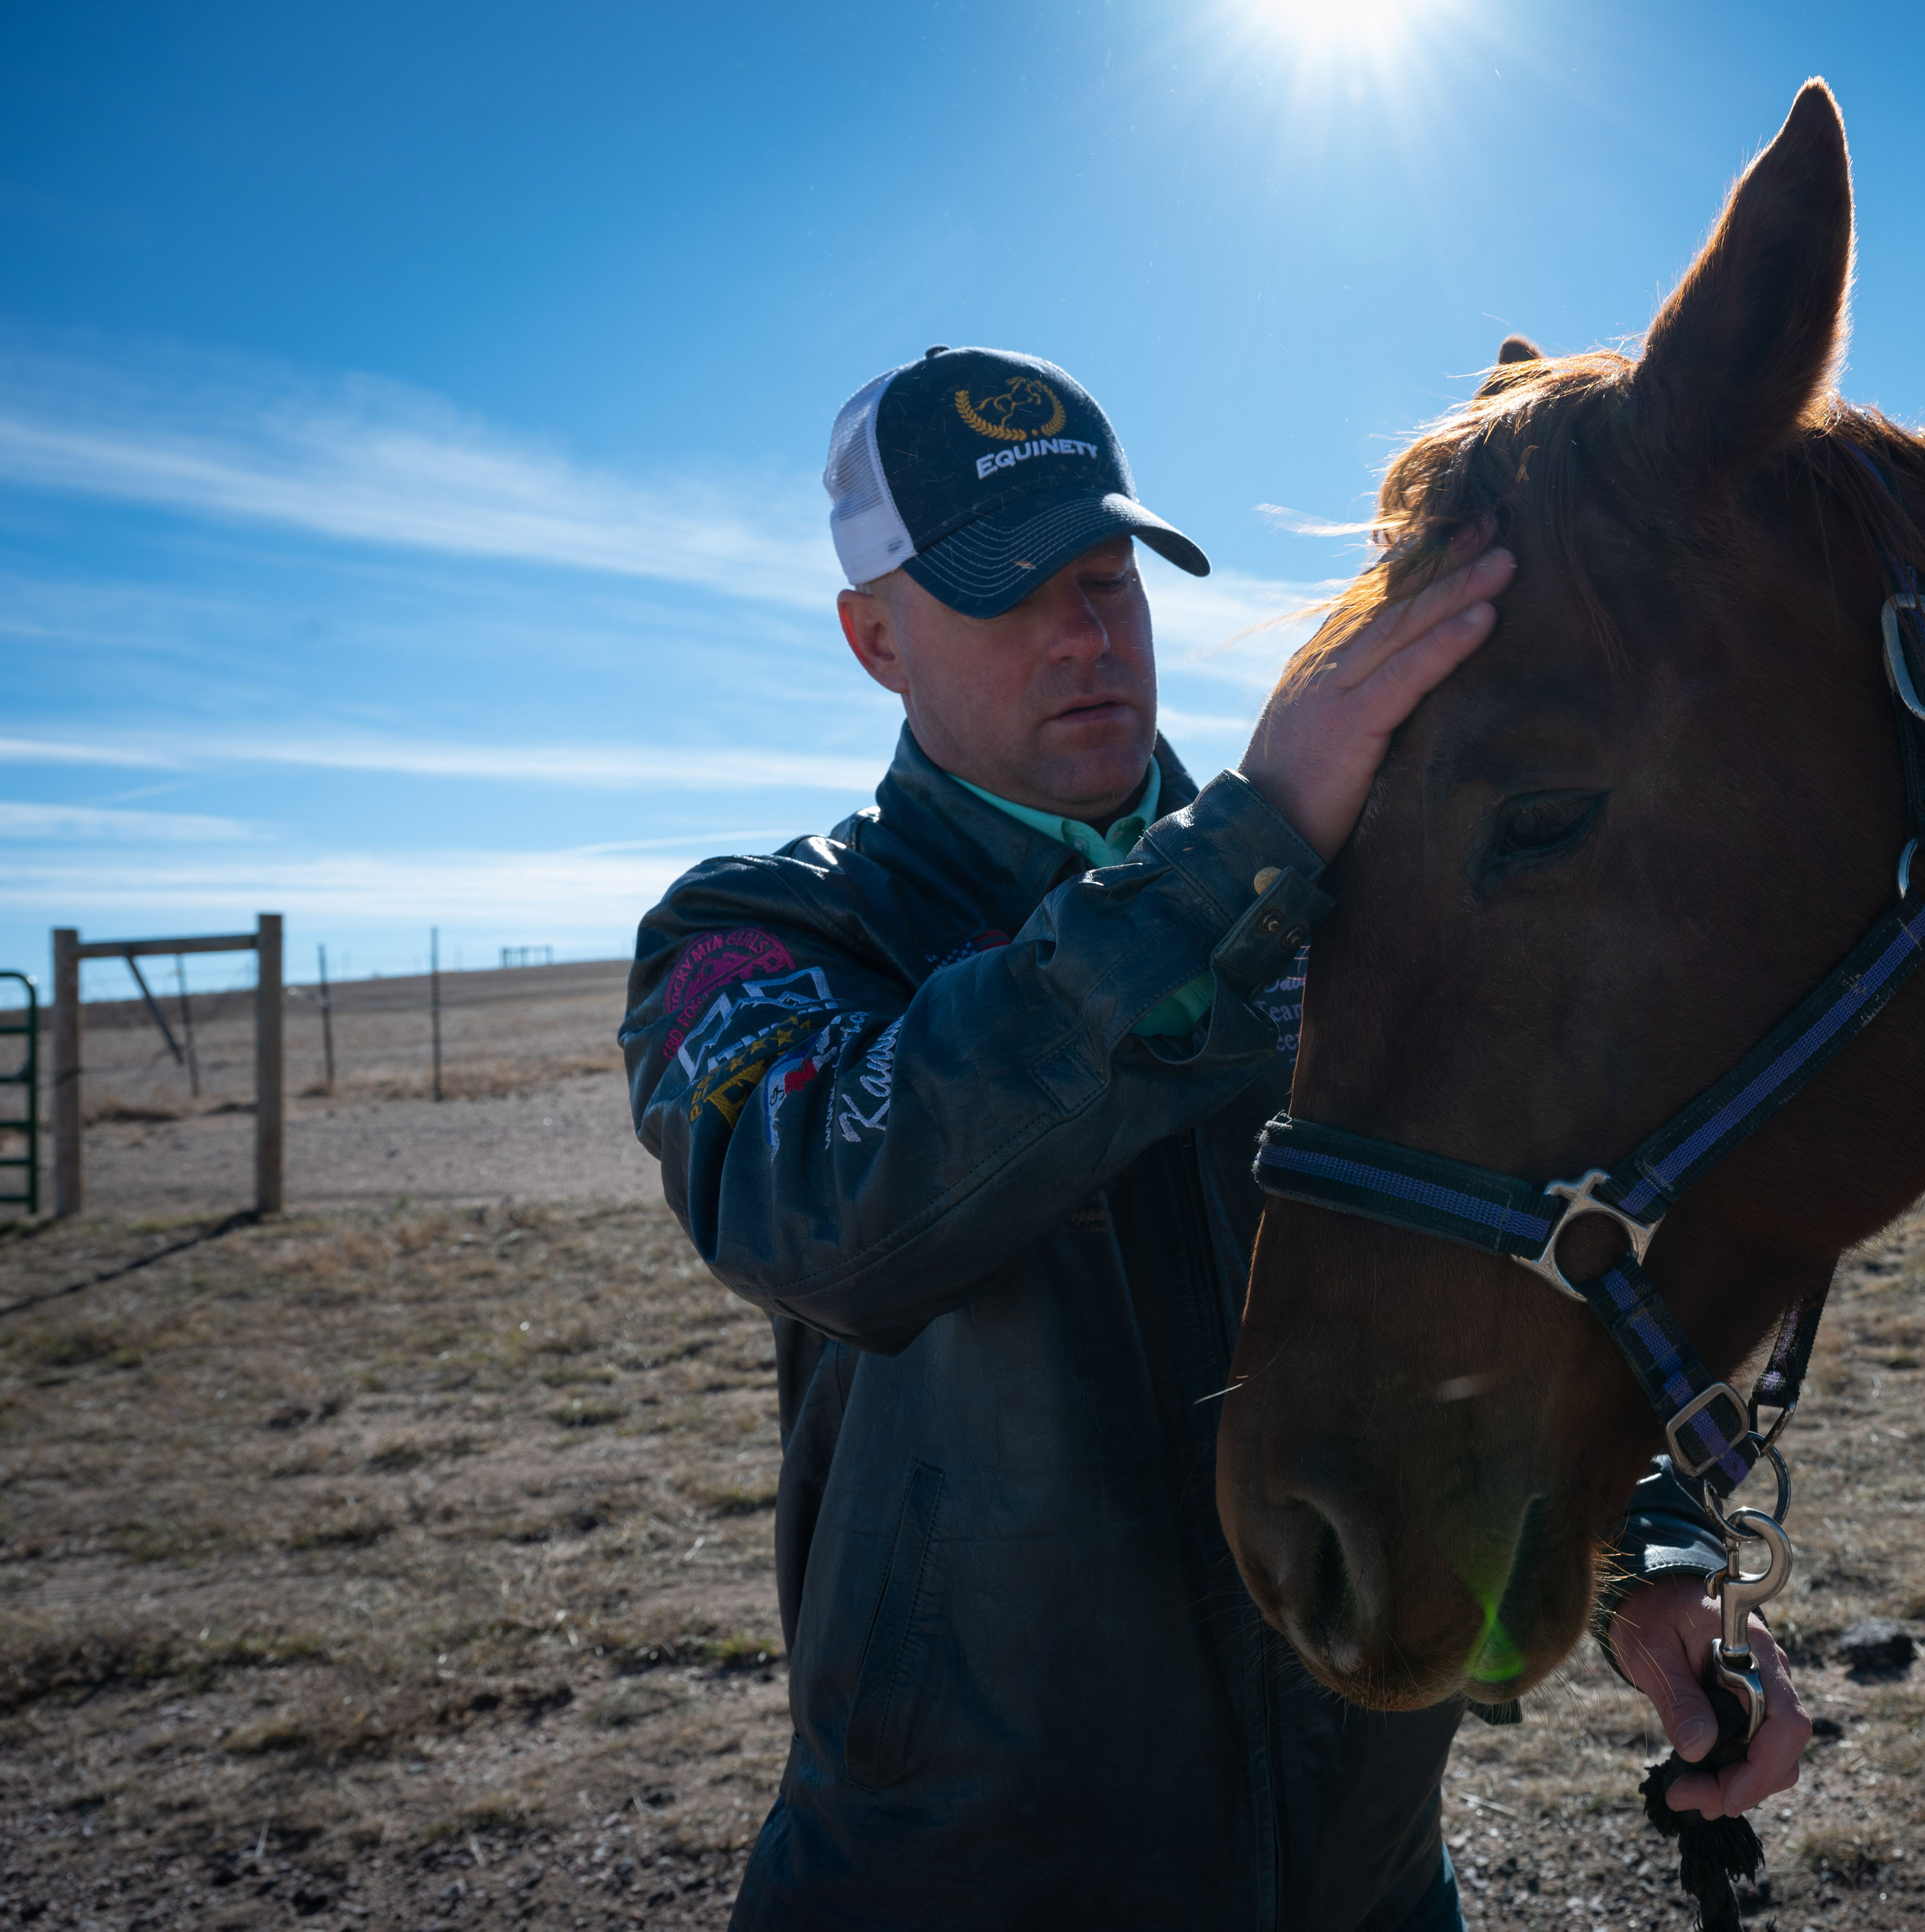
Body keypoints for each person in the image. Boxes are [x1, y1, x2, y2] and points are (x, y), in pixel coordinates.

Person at [621, 347, 1812, 1929]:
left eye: (1112, 575)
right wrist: (1233, 857)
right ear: (873, 639)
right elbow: (825, 1212)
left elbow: (1528, 1231)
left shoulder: (1352, 889)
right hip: (954, 1883)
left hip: (1361, 1874)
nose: (1087, 631)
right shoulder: (762, 929)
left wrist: (1647, 1546)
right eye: (1009, 590)